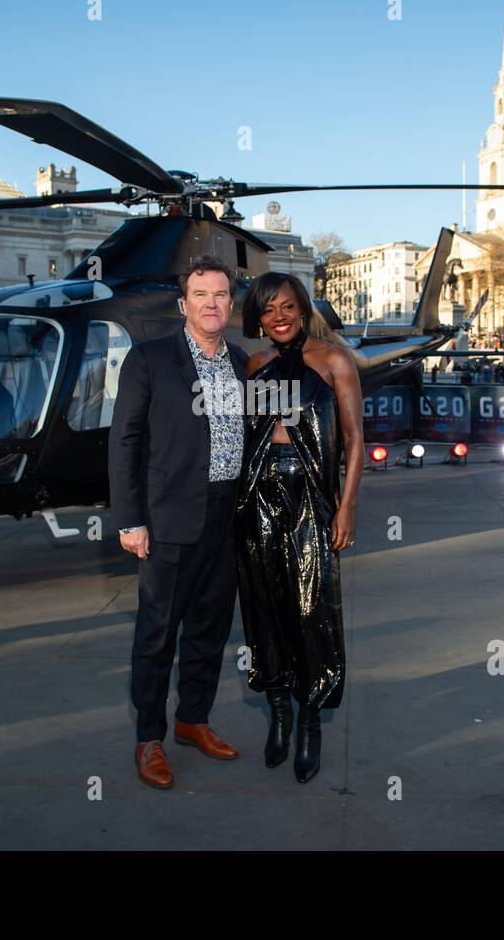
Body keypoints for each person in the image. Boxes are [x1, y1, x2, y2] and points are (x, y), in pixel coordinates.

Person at [108, 254, 248, 791]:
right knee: (156, 635)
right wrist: (130, 520)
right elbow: (124, 443)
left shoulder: (238, 360)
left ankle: (193, 720)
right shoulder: (148, 360)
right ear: (183, 304)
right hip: (168, 519)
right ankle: (149, 738)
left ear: (230, 305)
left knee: (210, 630)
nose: (211, 303)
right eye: (201, 294)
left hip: (225, 516)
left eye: (220, 295)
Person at [237, 272, 361, 784]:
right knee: (265, 606)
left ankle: (310, 719)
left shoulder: (334, 361)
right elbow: (243, 440)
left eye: (288, 306)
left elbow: (355, 440)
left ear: (303, 308)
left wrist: (346, 506)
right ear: (259, 319)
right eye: (268, 310)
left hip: (311, 496)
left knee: (312, 609)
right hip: (258, 496)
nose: (280, 316)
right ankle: (279, 716)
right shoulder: (256, 365)